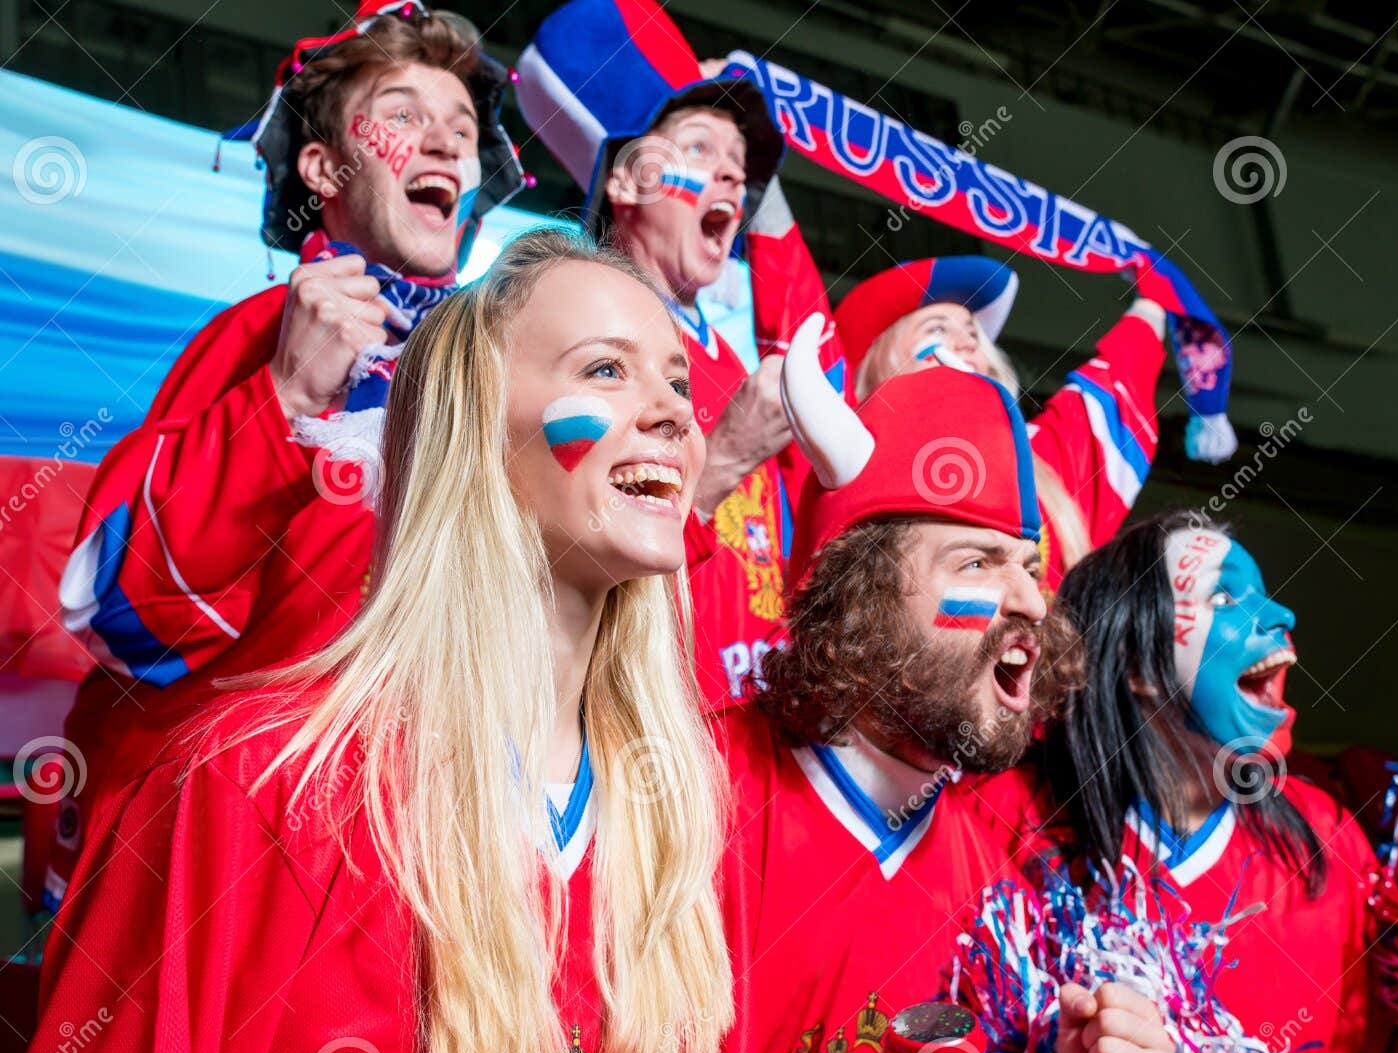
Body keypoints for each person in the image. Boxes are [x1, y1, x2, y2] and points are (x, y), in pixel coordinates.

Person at [0, 232, 743, 1053]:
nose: (674, 418)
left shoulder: (675, 817)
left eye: (680, 386)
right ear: (470, 426)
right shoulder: (251, 791)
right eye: (604, 369)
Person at [44, 2, 525, 917]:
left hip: (440, 874)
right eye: (403, 113)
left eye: (460, 129)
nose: (446, 144)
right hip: (242, 877)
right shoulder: (254, 340)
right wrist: (285, 402)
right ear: (322, 166)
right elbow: (108, 604)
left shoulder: (498, 377)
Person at [684, 317, 1175, 1053]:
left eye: (1029, 563)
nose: (1032, 596)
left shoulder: (993, 887)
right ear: (863, 598)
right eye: (981, 560)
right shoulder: (677, 792)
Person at [1031, 511, 1398, 1053]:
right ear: (1136, 666)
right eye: (1224, 597)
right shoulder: (1015, 827)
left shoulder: (1320, 841)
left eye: (1263, 592)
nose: (1281, 613)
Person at [516, 0, 848, 706]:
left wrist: (764, 192)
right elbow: (560, 567)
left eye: (741, 168)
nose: (733, 179)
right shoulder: (573, 343)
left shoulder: (715, 349)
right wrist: (723, 458)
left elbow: (828, 380)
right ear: (628, 177)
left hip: (752, 734)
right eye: (699, 152)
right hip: (639, 731)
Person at [835, 256, 1169, 584]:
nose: (967, 342)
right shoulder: (837, 466)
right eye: (936, 328)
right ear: (879, 362)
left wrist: (1153, 299)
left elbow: (1114, 384)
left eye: (973, 334)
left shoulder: (1038, 463)